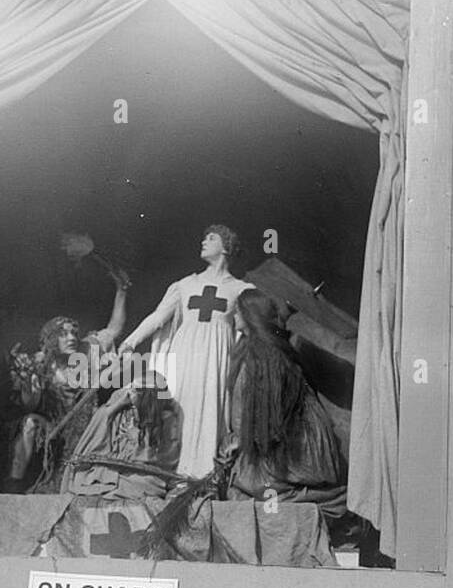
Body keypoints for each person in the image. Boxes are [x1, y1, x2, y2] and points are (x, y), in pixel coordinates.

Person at [118, 224, 250, 478]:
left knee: (213, 410)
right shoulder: (185, 285)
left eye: (211, 238)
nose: (203, 241)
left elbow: (251, 325)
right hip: (186, 354)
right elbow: (158, 317)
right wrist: (130, 342)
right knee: (181, 408)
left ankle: (205, 476)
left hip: (217, 358)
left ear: (226, 247)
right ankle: (174, 471)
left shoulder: (241, 289)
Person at [219, 289, 348, 525]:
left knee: (257, 487)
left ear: (250, 315)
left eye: (238, 311)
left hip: (291, 441)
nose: (234, 316)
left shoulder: (267, 354)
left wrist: (244, 438)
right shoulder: (254, 348)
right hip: (269, 436)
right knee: (244, 487)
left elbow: (272, 411)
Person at [8, 266, 129, 492]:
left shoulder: (89, 348)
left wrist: (121, 291)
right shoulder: (39, 361)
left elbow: (114, 330)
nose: (71, 337)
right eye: (63, 334)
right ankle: (14, 485)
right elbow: (30, 404)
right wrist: (28, 383)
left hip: (89, 426)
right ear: (51, 339)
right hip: (54, 427)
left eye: (74, 332)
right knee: (29, 423)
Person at [61, 372, 181, 501]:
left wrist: (137, 442)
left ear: (147, 396)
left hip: (141, 475)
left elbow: (163, 460)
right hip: (114, 469)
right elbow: (99, 429)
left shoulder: (166, 419)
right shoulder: (122, 406)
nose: (129, 393)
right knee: (84, 477)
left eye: (134, 391)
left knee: (143, 484)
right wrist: (116, 406)